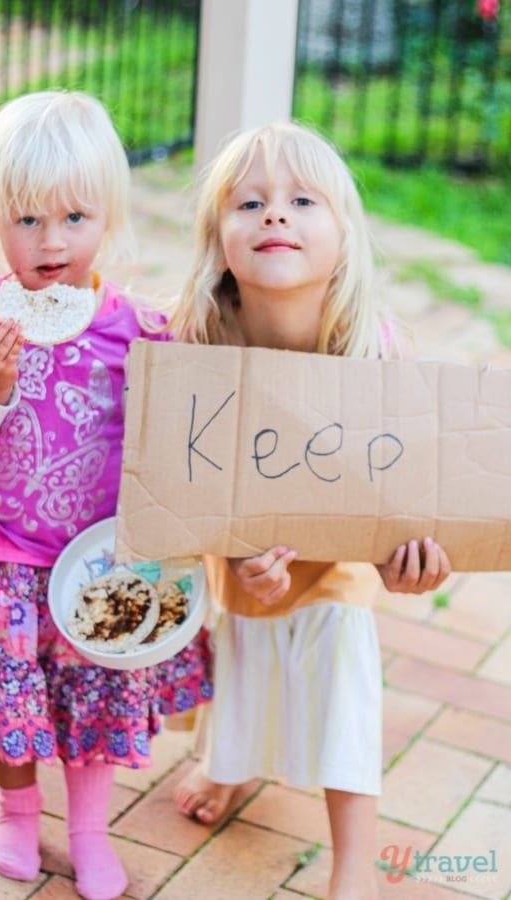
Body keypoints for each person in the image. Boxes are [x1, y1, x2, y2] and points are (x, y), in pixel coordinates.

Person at [0, 90, 211, 900]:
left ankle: (87, 833)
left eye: (74, 217)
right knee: (10, 697)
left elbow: (173, 435)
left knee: (93, 701)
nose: (51, 243)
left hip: (98, 561)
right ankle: (14, 814)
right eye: (27, 220)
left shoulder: (138, 329)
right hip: (1, 552)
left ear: (107, 214)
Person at [170, 121, 451, 900]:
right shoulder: (197, 340)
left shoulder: (373, 351)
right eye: (250, 202)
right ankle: (227, 766)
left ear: (345, 235)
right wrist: (226, 557)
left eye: (301, 201)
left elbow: (410, 494)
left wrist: (411, 557)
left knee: (341, 680)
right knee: (247, 664)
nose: (275, 216)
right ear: (217, 235)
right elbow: (176, 482)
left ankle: (354, 864)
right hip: (244, 551)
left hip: (337, 564)